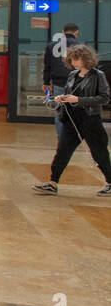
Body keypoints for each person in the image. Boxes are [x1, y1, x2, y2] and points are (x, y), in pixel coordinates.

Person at [32, 44, 111, 197]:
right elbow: (70, 93)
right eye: (71, 59)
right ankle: (53, 183)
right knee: (62, 151)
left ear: (85, 59)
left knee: (99, 153)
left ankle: (110, 182)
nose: (73, 62)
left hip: (90, 120)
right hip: (71, 120)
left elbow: (104, 98)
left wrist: (79, 100)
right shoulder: (73, 75)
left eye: (76, 59)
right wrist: (63, 99)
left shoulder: (98, 75)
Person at [43, 23, 80, 99]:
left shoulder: (51, 46)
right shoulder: (81, 46)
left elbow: (47, 66)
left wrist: (46, 82)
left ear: (63, 32)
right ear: (77, 32)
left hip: (58, 82)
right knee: (76, 107)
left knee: (60, 106)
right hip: (77, 82)